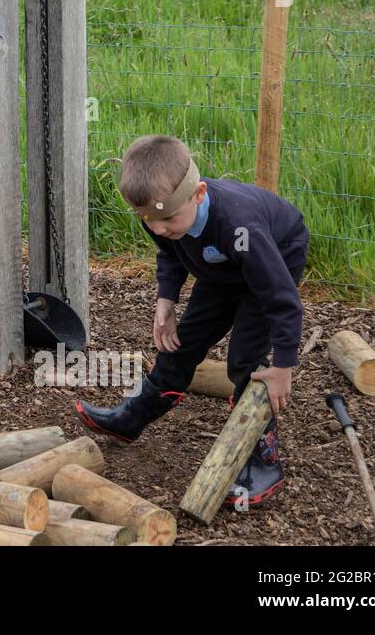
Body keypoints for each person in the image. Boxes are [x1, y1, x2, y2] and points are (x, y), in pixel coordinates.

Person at [75, 134, 308, 508]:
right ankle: (132, 418)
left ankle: (262, 459)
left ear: (199, 194)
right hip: (220, 270)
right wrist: (165, 300)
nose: (158, 228)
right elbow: (169, 252)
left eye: (166, 219)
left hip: (271, 261)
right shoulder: (160, 213)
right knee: (180, 343)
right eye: (149, 221)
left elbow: (282, 300)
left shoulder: (239, 226)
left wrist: (283, 366)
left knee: (245, 362)